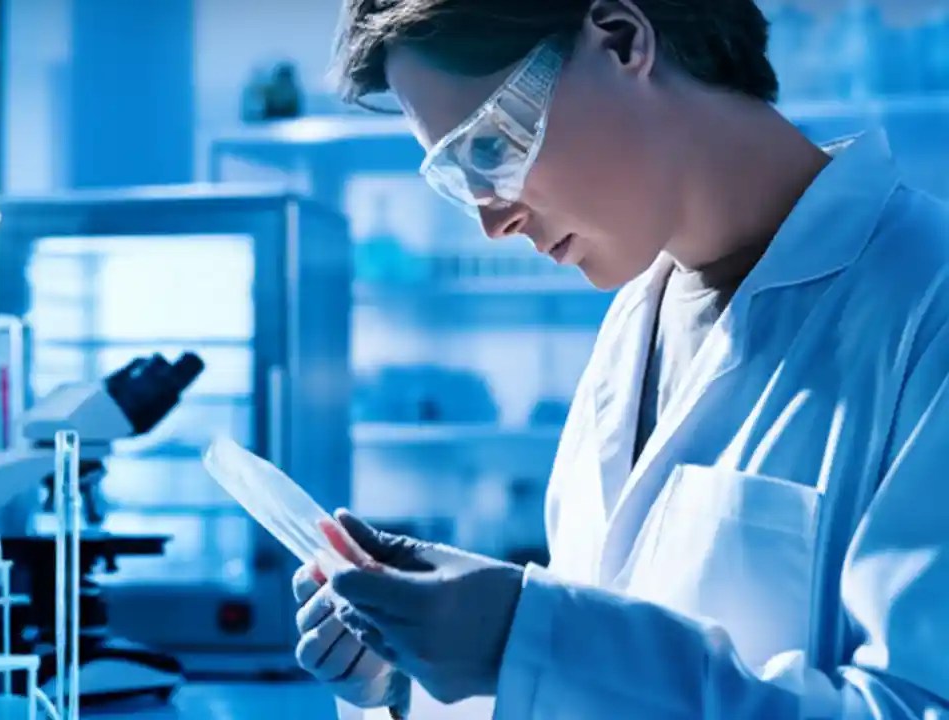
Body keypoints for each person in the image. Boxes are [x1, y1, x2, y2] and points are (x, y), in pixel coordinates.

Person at [291, 1, 949, 717]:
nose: (492, 221)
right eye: (458, 176)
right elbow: (592, 690)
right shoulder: (633, 327)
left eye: (491, 147)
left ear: (622, 39)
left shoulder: (927, 302)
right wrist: (417, 676)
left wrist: (525, 643)